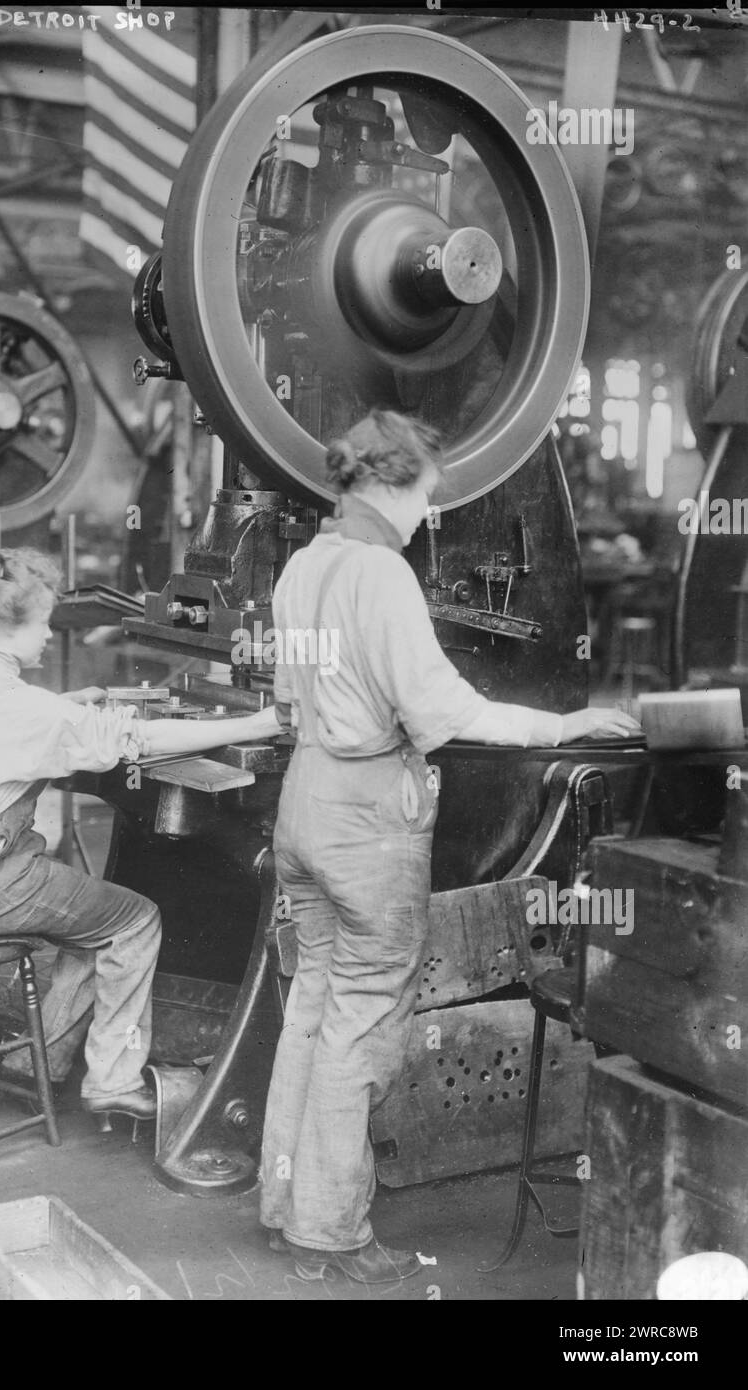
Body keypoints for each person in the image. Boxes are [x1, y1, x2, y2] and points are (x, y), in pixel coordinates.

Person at [259, 409, 640, 1284]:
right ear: (391, 483)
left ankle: (289, 1207)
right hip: (363, 817)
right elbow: (442, 713)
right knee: (362, 1028)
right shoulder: (379, 575)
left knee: (312, 1009)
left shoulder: (301, 568)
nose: (428, 514)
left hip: (304, 803)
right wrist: (564, 720)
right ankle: (333, 1234)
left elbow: (287, 702)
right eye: (426, 495)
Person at [0, 546, 279, 1124]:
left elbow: (5, 725)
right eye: (45, 624)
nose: (47, 637)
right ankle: (112, 1080)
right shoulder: (30, 710)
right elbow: (141, 741)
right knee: (134, 920)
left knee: (94, 917)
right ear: (18, 627)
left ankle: (41, 1061)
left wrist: (68, 707)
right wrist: (259, 723)